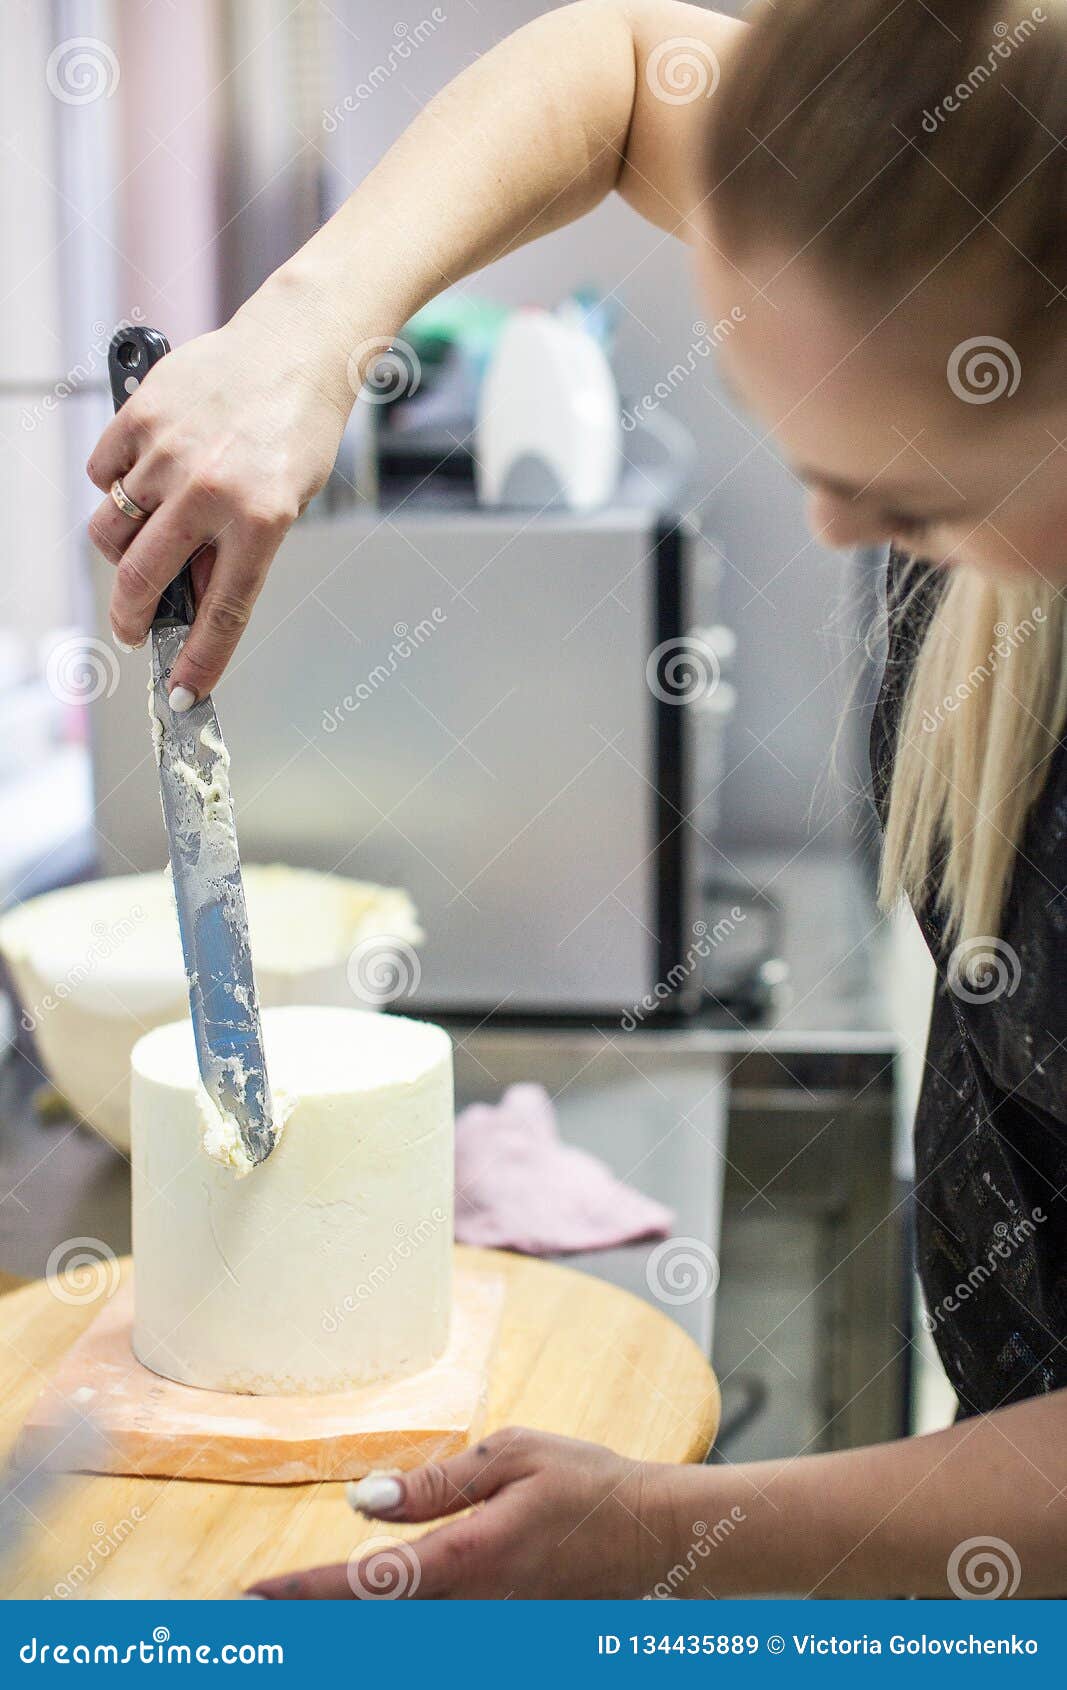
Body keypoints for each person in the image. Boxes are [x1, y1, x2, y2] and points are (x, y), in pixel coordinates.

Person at [89, 0, 1067, 1597]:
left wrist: (670, 1534)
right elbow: (618, 72)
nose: (828, 533)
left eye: (917, 500)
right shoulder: (948, 178)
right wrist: (304, 336)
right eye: (792, 441)